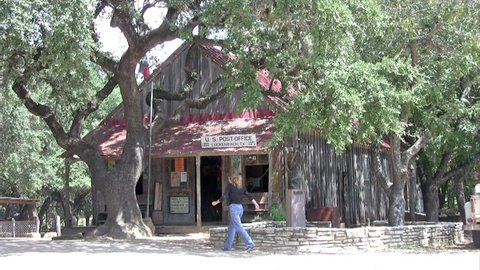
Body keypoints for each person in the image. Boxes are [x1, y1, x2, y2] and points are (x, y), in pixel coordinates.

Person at [212, 173, 260, 251]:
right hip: (240, 208)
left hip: (233, 209)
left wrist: (216, 202)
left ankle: (251, 245)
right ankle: (227, 247)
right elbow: (249, 196)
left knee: (239, 227)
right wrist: (255, 203)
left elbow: (224, 196)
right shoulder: (242, 187)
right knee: (231, 228)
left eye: (229, 178)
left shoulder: (230, 187)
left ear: (232, 179)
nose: (228, 180)